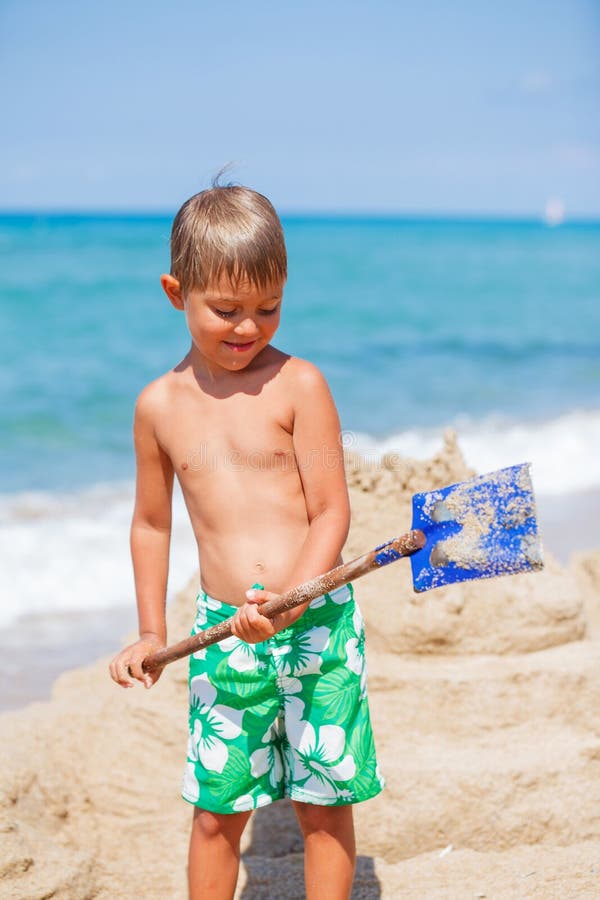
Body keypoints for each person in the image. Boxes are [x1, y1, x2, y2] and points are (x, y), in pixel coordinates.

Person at [109, 181, 384, 900]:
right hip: (221, 634)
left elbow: (331, 511)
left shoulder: (301, 387)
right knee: (214, 813)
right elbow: (151, 523)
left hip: (317, 625)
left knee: (324, 806)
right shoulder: (158, 408)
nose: (248, 328)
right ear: (176, 292)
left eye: (268, 308)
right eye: (226, 310)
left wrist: (295, 599)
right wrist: (148, 630)